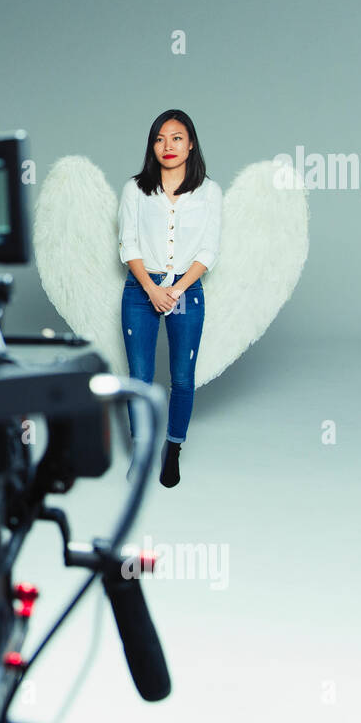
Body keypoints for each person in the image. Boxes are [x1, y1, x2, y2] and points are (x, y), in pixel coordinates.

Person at [117, 109, 222, 488]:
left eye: (177, 137)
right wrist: (151, 288)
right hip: (141, 287)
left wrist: (176, 290)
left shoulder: (209, 192)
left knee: (182, 378)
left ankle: (172, 450)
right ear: (152, 145)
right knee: (140, 378)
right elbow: (127, 243)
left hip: (186, 289)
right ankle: (141, 451)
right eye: (160, 138)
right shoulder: (135, 189)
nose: (168, 146)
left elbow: (209, 250)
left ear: (191, 143)